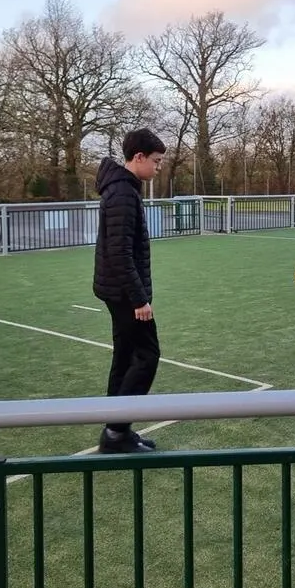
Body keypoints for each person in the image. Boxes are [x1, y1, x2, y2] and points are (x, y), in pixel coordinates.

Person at [92, 128, 166, 454]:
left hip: (118, 290)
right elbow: (120, 253)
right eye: (156, 161)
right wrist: (139, 299)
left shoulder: (123, 189)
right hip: (124, 294)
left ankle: (115, 431)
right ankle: (116, 430)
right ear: (139, 157)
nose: (159, 167)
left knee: (124, 357)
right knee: (147, 355)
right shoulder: (122, 193)